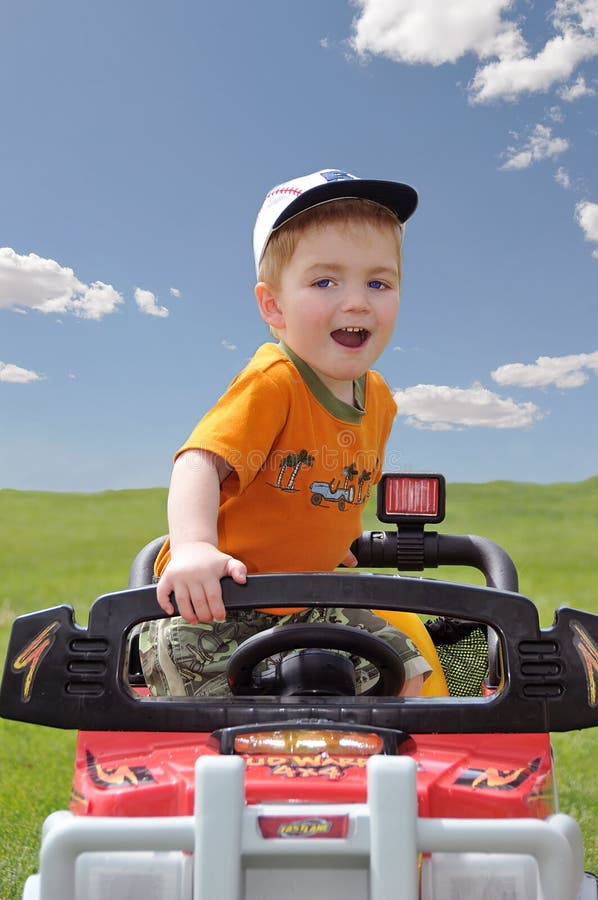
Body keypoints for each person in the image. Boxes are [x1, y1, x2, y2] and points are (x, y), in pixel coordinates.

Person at [139, 168, 433, 698]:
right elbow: (198, 462)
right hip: (218, 602)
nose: (358, 301)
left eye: (378, 282)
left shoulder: (380, 398)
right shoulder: (275, 379)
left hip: (312, 596)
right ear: (274, 305)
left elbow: (340, 477)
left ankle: (391, 773)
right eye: (325, 281)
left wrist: (331, 536)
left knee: (409, 671)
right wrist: (193, 548)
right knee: (202, 713)